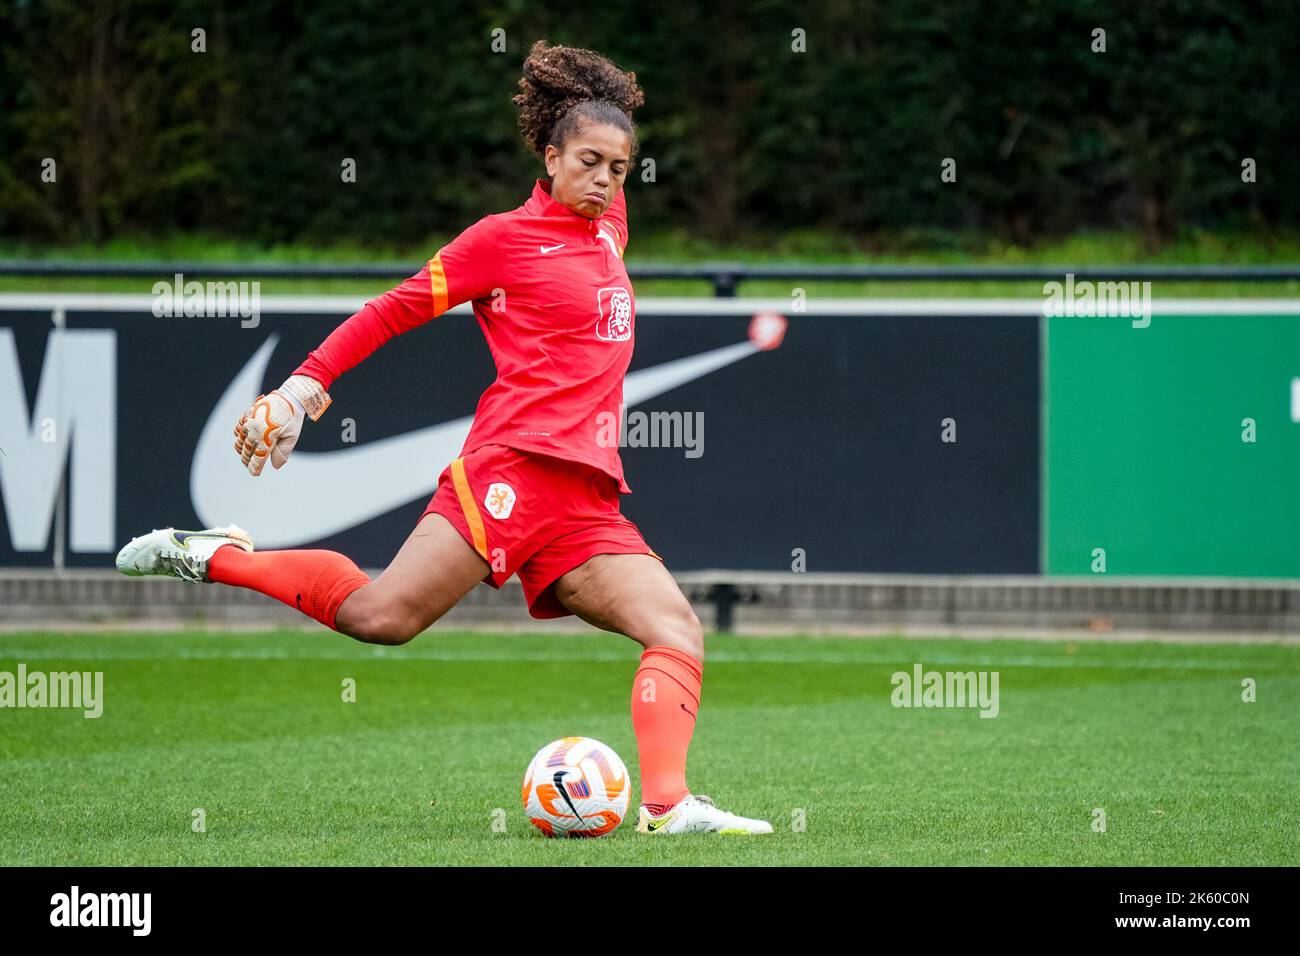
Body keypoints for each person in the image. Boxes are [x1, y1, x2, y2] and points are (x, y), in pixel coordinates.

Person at [116, 40, 771, 836]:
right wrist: (304, 387)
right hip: (513, 471)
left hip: (587, 497)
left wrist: (605, 96)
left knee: (675, 627)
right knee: (381, 617)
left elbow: (613, 119)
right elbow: (394, 308)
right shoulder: (500, 240)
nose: (604, 180)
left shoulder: (609, 230)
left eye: (620, 169)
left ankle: (668, 805)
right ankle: (216, 554)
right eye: (589, 161)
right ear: (551, 156)